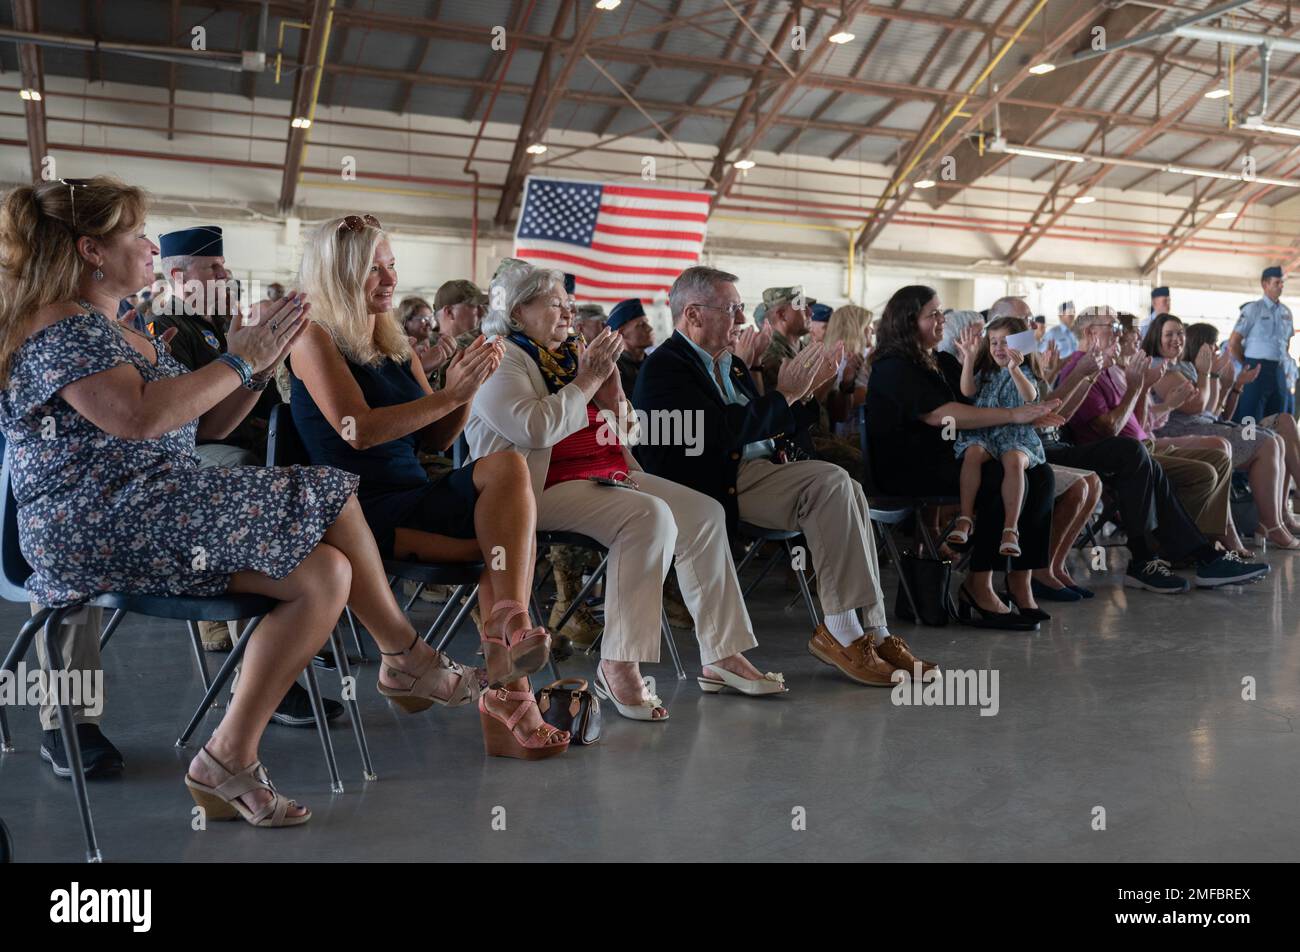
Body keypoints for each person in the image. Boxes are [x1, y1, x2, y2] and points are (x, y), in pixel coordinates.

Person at [0, 177, 476, 817]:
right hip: (96, 518)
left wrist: (256, 360)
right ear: (90, 250)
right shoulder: (59, 326)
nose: (148, 246)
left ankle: (228, 757)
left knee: (324, 574)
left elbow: (210, 425)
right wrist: (235, 361)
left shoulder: (119, 325)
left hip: (151, 506)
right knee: (327, 491)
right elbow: (138, 418)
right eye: (136, 235)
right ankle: (406, 657)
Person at [288, 216, 570, 760]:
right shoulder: (313, 338)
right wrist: (448, 394)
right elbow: (360, 431)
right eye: (373, 269)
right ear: (339, 274)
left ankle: (509, 620)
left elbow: (438, 439)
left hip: (416, 495)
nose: (389, 278)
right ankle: (512, 698)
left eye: (391, 265)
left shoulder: (393, 342)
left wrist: (465, 389)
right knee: (504, 552)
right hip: (359, 514)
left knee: (507, 466)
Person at [467, 263, 785, 717]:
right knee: (648, 516)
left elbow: (630, 432)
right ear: (518, 311)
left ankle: (721, 654)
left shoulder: (571, 352)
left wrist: (613, 394)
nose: (568, 309)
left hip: (601, 471)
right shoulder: (500, 357)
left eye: (567, 300)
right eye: (555, 302)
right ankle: (618, 663)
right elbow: (535, 428)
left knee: (703, 512)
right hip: (530, 489)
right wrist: (591, 380)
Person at [635, 267, 935, 681]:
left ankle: (874, 630)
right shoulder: (665, 368)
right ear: (694, 314)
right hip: (712, 480)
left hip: (758, 471)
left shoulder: (731, 366)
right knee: (830, 481)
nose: (742, 319)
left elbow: (774, 425)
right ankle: (842, 632)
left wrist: (810, 391)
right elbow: (722, 436)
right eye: (732, 309)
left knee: (846, 485)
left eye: (740, 309)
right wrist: (786, 394)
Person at [865, 287, 1058, 629]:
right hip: (911, 466)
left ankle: (1020, 581)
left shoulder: (939, 360)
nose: (942, 319)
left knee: (1040, 474)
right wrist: (1013, 415)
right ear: (910, 322)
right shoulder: (893, 366)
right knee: (998, 477)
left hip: (951, 454)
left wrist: (1033, 409)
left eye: (941, 313)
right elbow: (942, 416)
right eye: (933, 314)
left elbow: (982, 396)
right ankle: (977, 586)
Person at [1054, 307, 1269, 589]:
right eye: (1113, 328)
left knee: (1215, 459)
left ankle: (1203, 548)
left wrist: (1141, 388)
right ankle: (1187, 552)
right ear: (1090, 333)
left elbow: (1144, 420)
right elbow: (1110, 430)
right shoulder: (1080, 368)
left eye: (1122, 330)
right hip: (1115, 456)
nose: (1120, 335)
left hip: (1140, 446)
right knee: (1203, 460)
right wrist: (1138, 387)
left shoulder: (1107, 369)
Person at [1141, 313, 1300, 548]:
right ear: (1157, 337)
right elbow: (1197, 407)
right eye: (1169, 334)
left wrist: (1227, 384)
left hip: (1206, 425)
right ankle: (1272, 523)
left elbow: (1212, 411)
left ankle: (1277, 520)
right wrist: (1210, 374)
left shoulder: (1183, 366)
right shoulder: (1159, 366)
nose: (1177, 339)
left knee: (1278, 433)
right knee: (1268, 442)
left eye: (1180, 333)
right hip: (1179, 433)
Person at [948, 317, 1046, 559]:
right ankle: (965, 518)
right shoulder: (988, 372)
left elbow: (1030, 395)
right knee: (972, 452)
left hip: (1014, 434)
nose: (999, 348)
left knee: (1014, 461)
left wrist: (1014, 370)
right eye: (993, 342)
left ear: (1021, 345)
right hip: (986, 431)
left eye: (1006, 342)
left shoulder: (1023, 372)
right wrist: (969, 360)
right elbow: (967, 391)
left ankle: (1010, 529)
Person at [1230, 266, 1294, 425]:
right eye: (1277, 283)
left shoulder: (1286, 312)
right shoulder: (1252, 309)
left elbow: (1286, 343)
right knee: (1249, 415)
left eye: (1282, 283)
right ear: (1265, 285)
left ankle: (1273, 448)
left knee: (1277, 415)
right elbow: (1234, 342)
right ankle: (1246, 447)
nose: (1281, 286)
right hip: (1255, 367)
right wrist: (1247, 364)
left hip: (1278, 369)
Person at [608, 298, 653, 396]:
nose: (649, 328)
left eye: (646, 323)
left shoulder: (654, 362)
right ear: (621, 333)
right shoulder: (613, 369)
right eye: (641, 325)